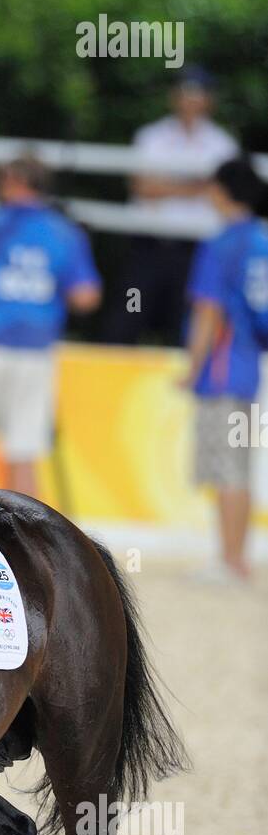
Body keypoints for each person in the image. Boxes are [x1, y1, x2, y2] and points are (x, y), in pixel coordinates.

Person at [0, 156, 101, 498]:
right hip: (35, 351)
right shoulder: (64, 232)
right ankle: (26, 526)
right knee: (25, 453)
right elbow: (86, 297)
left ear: (11, 181)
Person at [182, 156, 268, 582]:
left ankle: (230, 561)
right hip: (249, 367)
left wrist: (192, 366)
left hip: (221, 370)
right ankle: (236, 558)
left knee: (226, 468)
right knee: (240, 466)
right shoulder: (261, 240)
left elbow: (208, 311)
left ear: (222, 190)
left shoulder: (222, 244)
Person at [106, 68, 238, 345]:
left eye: (196, 94)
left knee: (183, 329)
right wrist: (197, 187)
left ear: (209, 100)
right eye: (184, 93)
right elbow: (142, 186)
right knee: (127, 318)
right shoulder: (151, 136)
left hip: (194, 252)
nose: (190, 101)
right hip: (148, 248)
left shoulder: (222, 144)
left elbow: (223, 195)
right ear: (173, 97)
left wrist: (165, 186)